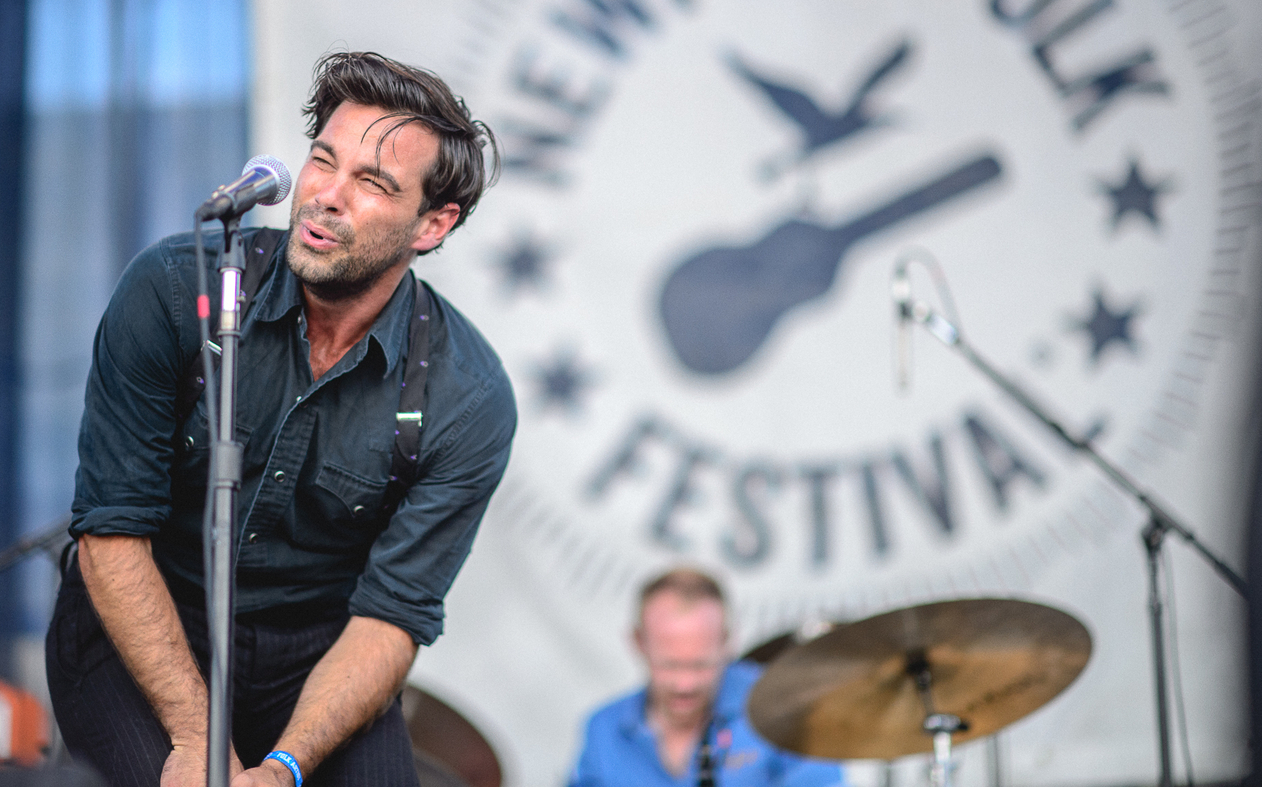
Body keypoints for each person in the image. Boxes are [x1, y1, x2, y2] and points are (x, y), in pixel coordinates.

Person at [45, 52, 516, 787]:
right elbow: (111, 535)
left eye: (372, 182)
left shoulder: (468, 396)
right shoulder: (174, 293)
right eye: (323, 161)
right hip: (143, 618)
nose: (326, 195)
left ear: (432, 224)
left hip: (315, 654)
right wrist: (202, 740)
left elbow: (390, 618)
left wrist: (285, 766)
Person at [569, 569, 843, 787]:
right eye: (670, 666)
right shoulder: (603, 729)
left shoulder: (789, 708)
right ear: (639, 643)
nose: (685, 684)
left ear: (727, 641)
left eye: (700, 665)